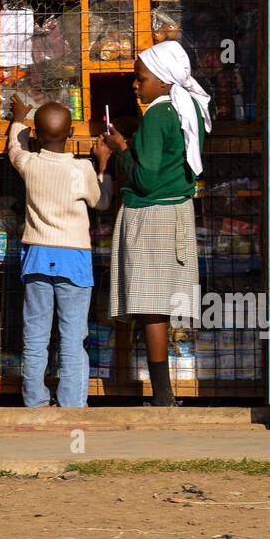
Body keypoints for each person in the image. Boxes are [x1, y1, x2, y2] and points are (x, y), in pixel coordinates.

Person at [100, 42, 211, 408]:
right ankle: (164, 394)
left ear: (163, 81)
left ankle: (162, 395)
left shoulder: (158, 115)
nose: (135, 84)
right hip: (177, 211)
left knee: (151, 307)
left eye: (140, 78)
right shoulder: (190, 106)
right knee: (160, 306)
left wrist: (119, 149)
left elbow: (145, 177)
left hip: (151, 215)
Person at [7, 95, 113, 409]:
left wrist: (18, 119)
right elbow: (102, 202)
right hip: (74, 259)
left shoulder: (31, 163)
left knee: (36, 334)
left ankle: (36, 401)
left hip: (38, 256)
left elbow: (14, 149)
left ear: (38, 136)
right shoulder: (81, 170)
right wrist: (103, 165)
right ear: (70, 135)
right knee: (72, 335)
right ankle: (71, 403)